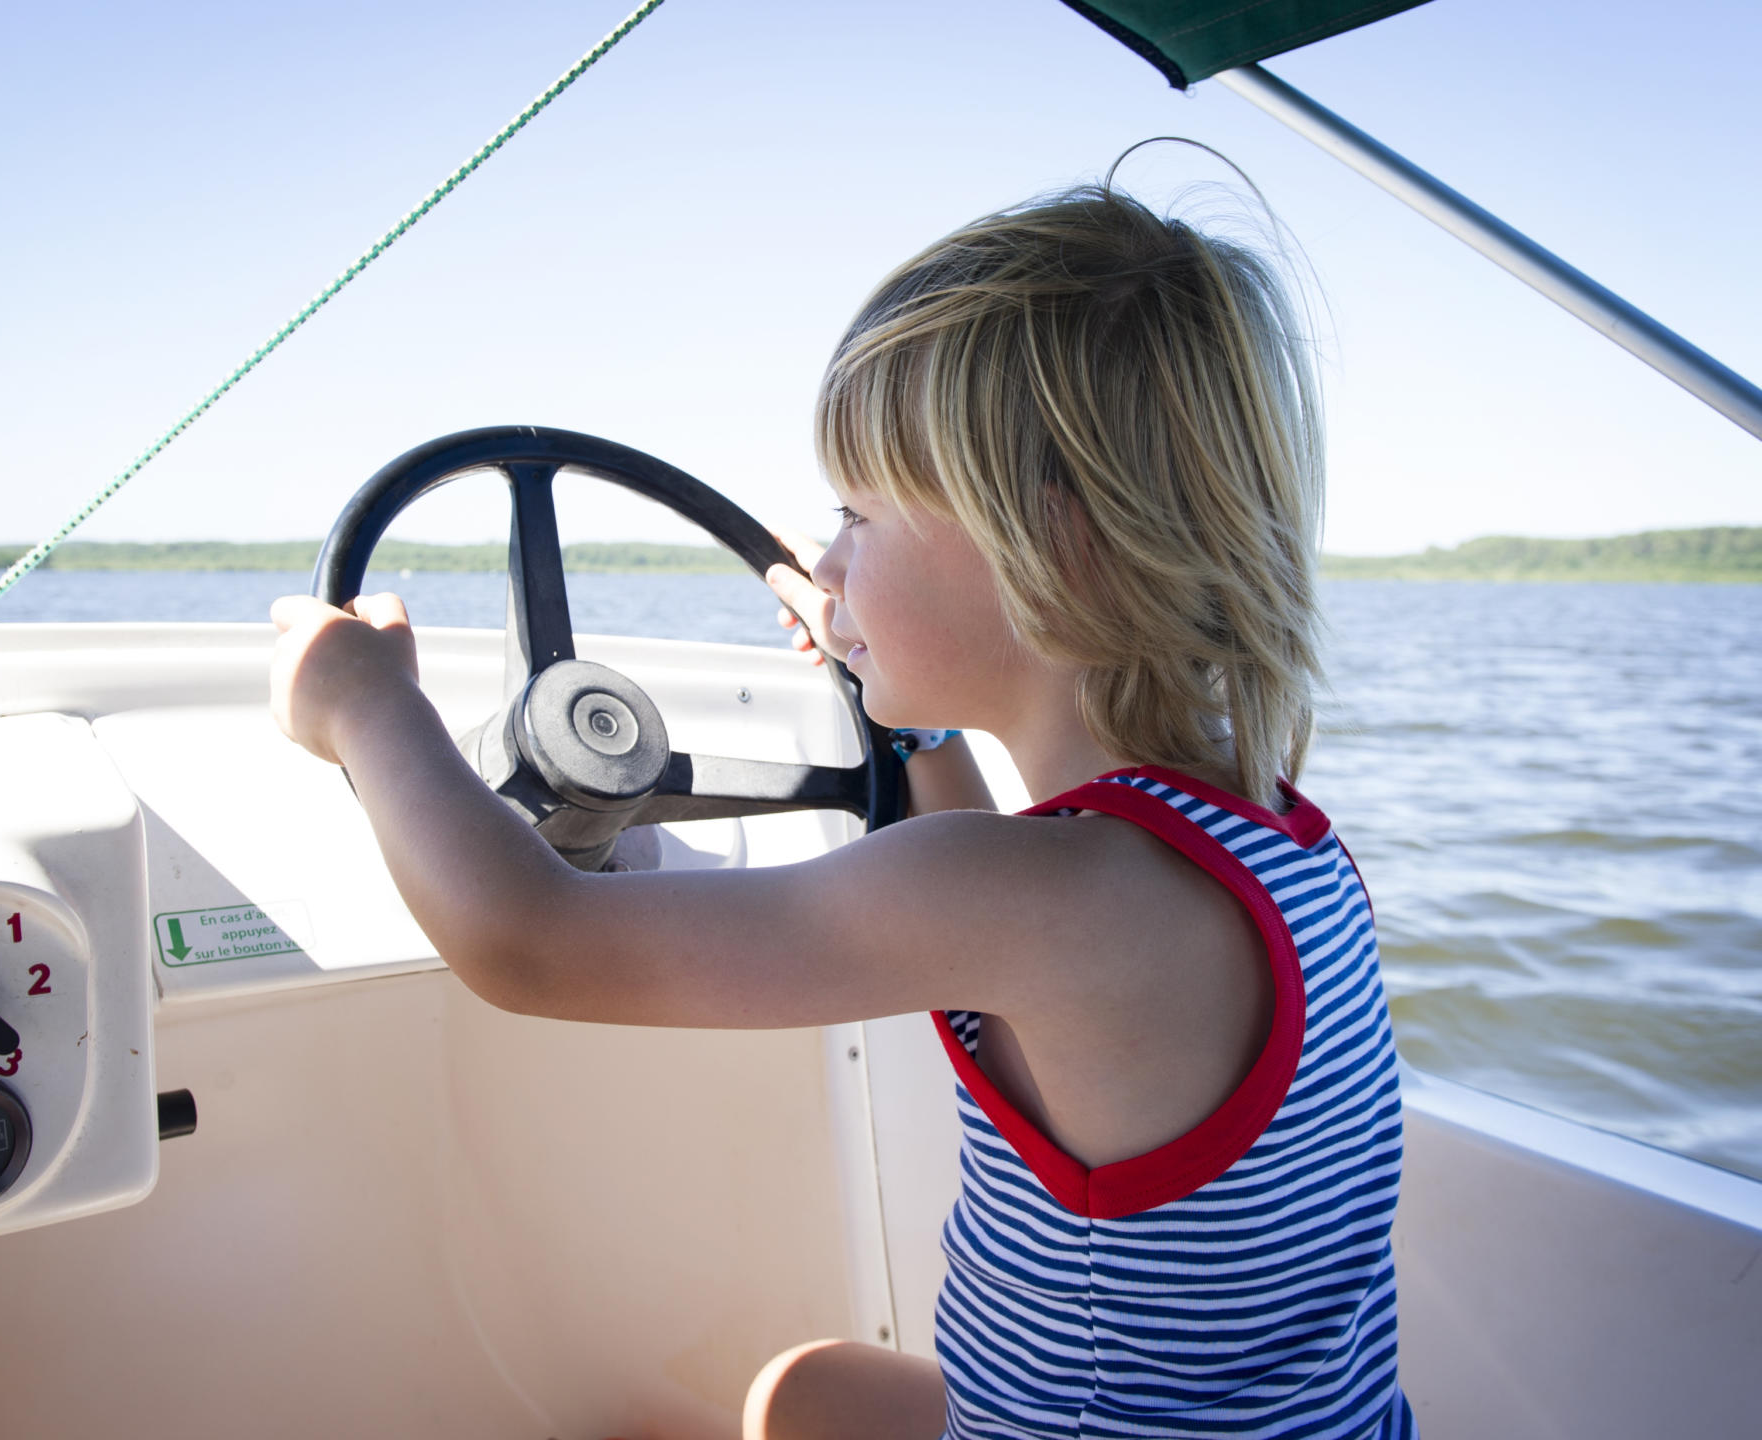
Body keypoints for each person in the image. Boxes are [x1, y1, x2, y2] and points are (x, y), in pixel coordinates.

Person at [269, 178, 1414, 1439]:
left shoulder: (1036, 897)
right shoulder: (1265, 840)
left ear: (1060, 548)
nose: (823, 566)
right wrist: (905, 713)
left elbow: (527, 939)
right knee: (808, 1395)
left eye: (859, 517)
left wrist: (365, 711)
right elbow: (992, 890)